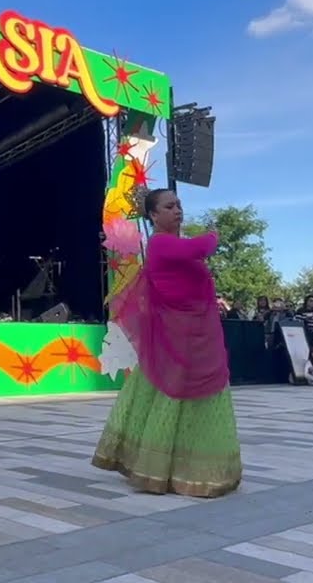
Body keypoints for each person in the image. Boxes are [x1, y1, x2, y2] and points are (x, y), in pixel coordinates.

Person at [92, 187, 242, 498]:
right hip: (175, 339)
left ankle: (179, 469)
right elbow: (200, 248)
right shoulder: (161, 244)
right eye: (169, 206)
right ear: (153, 215)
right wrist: (214, 235)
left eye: (179, 205)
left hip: (193, 336)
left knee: (186, 402)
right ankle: (155, 469)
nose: (177, 210)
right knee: (168, 399)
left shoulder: (173, 244)